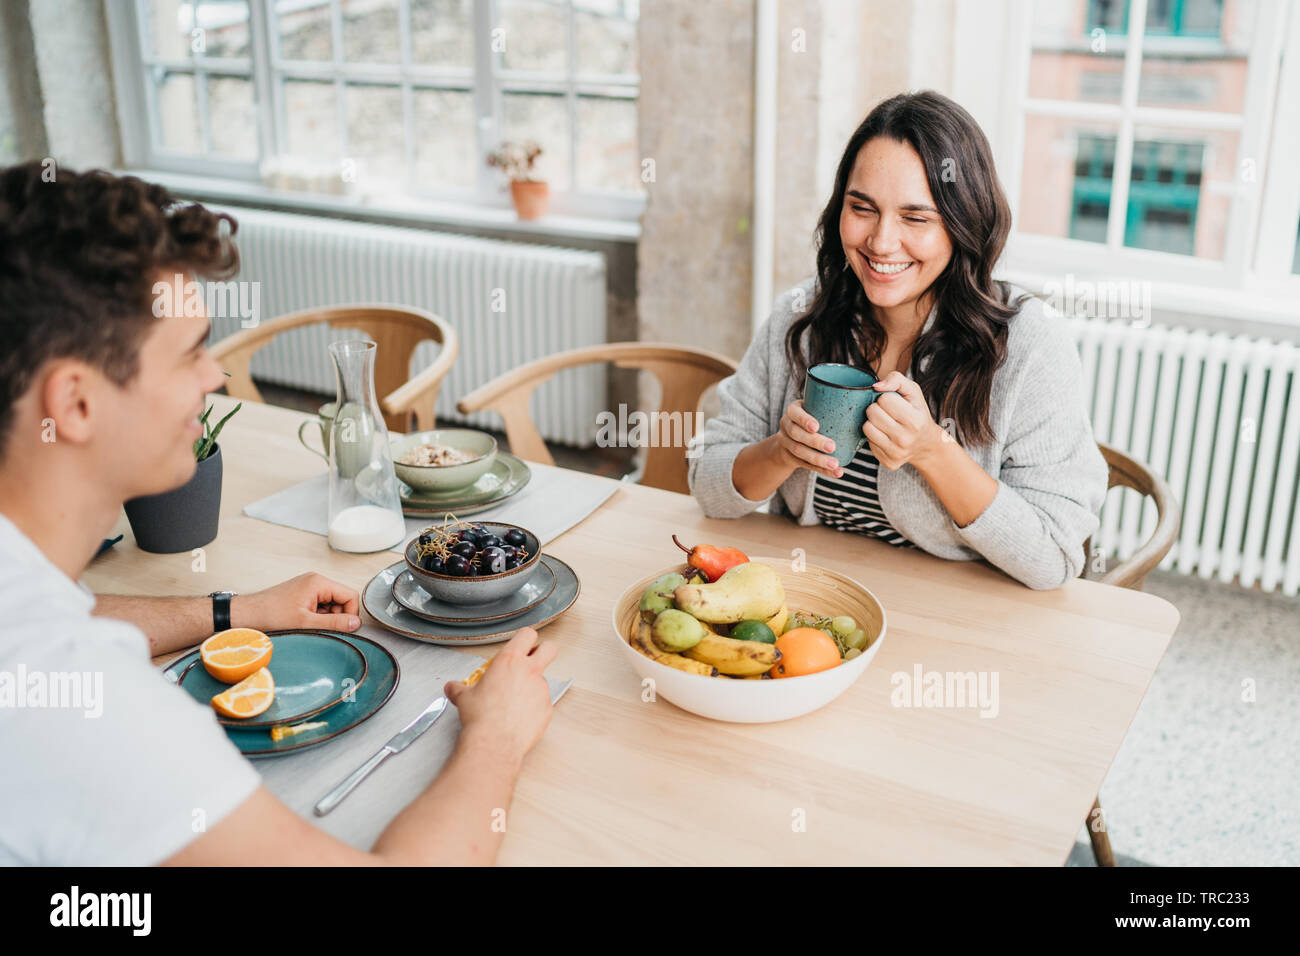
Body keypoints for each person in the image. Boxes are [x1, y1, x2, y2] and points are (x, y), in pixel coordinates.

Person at [0, 162, 556, 865]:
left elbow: (70, 612)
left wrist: (238, 611)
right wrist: (498, 734)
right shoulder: (89, 713)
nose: (215, 376)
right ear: (76, 403)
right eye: (190, 353)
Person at [688, 91, 1109, 591]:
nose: (882, 242)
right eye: (862, 208)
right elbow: (707, 485)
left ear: (963, 224)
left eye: (916, 218)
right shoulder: (802, 318)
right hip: (818, 598)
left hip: (958, 618)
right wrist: (782, 451)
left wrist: (933, 451)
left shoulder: (1029, 345)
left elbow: (1052, 559)